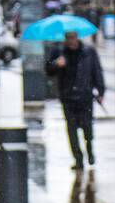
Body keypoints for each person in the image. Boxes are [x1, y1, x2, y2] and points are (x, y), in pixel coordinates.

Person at [45, 30, 106, 169]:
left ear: (77, 37)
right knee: (72, 130)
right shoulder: (59, 52)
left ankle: (90, 151)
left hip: (85, 96)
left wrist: (100, 91)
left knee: (87, 127)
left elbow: (97, 71)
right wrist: (56, 64)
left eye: (73, 37)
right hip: (67, 97)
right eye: (68, 38)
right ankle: (78, 159)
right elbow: (48, 70)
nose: (71, 40)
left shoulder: (88, 51)